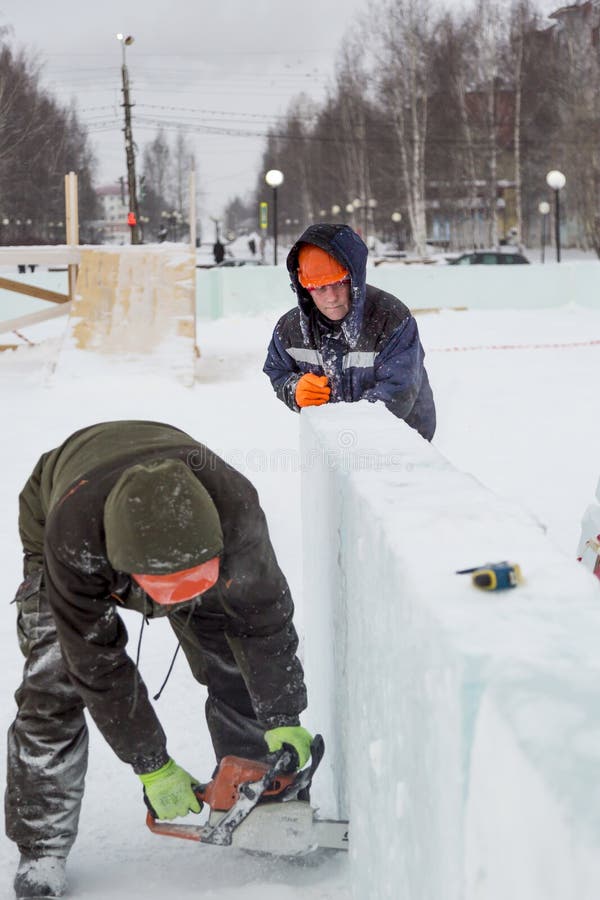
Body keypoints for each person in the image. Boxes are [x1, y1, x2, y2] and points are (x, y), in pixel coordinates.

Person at [7, 420, 310, 899]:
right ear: (125, 572)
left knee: (231, 652)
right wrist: (150, 762)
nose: (183, 598)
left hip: (189, 516)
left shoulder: (236, 511)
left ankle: (259, 794)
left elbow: (263, 619)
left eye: (198, 580)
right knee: (56, 681)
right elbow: (97, 663)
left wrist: (283, 714)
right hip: (68, 504)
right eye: (171, 589)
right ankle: (41, 845)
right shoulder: (75, 541)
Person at [263, 223, 436, 441]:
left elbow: (398, 391)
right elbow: (277, 370)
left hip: (402, 445)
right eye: (319, 287)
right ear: (303, 287)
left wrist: (344, 430)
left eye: (339, 284)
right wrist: (293, 389)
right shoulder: (289, 330)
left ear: (355, 278)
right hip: (336, 448)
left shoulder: (391, 320)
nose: (331, 297)